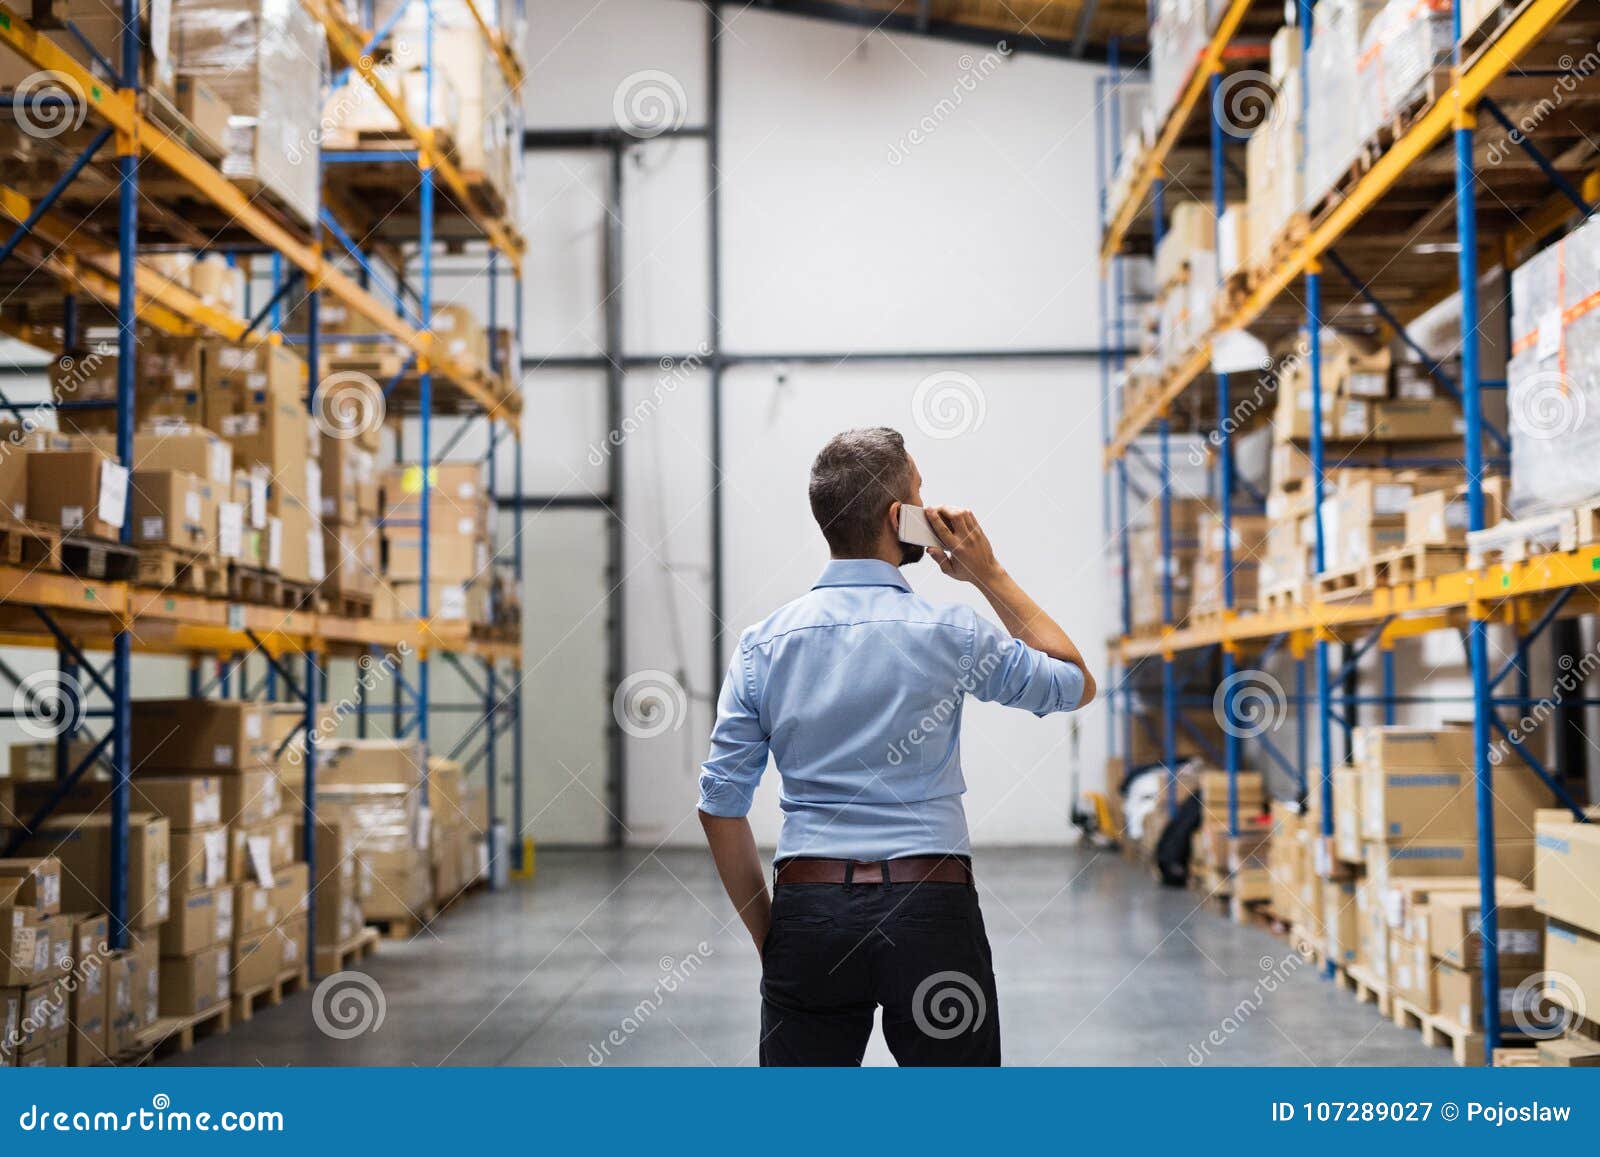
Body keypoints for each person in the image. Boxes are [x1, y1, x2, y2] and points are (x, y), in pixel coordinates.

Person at [696, 426, 1095, 1066]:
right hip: (932, 909)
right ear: (897, 517)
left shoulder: (763, 645)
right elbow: (1073, 683)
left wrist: (774, 933)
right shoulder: (951, 632)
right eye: (919, 494)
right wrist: (988, 573)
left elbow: (719, 807)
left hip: (810, 911)